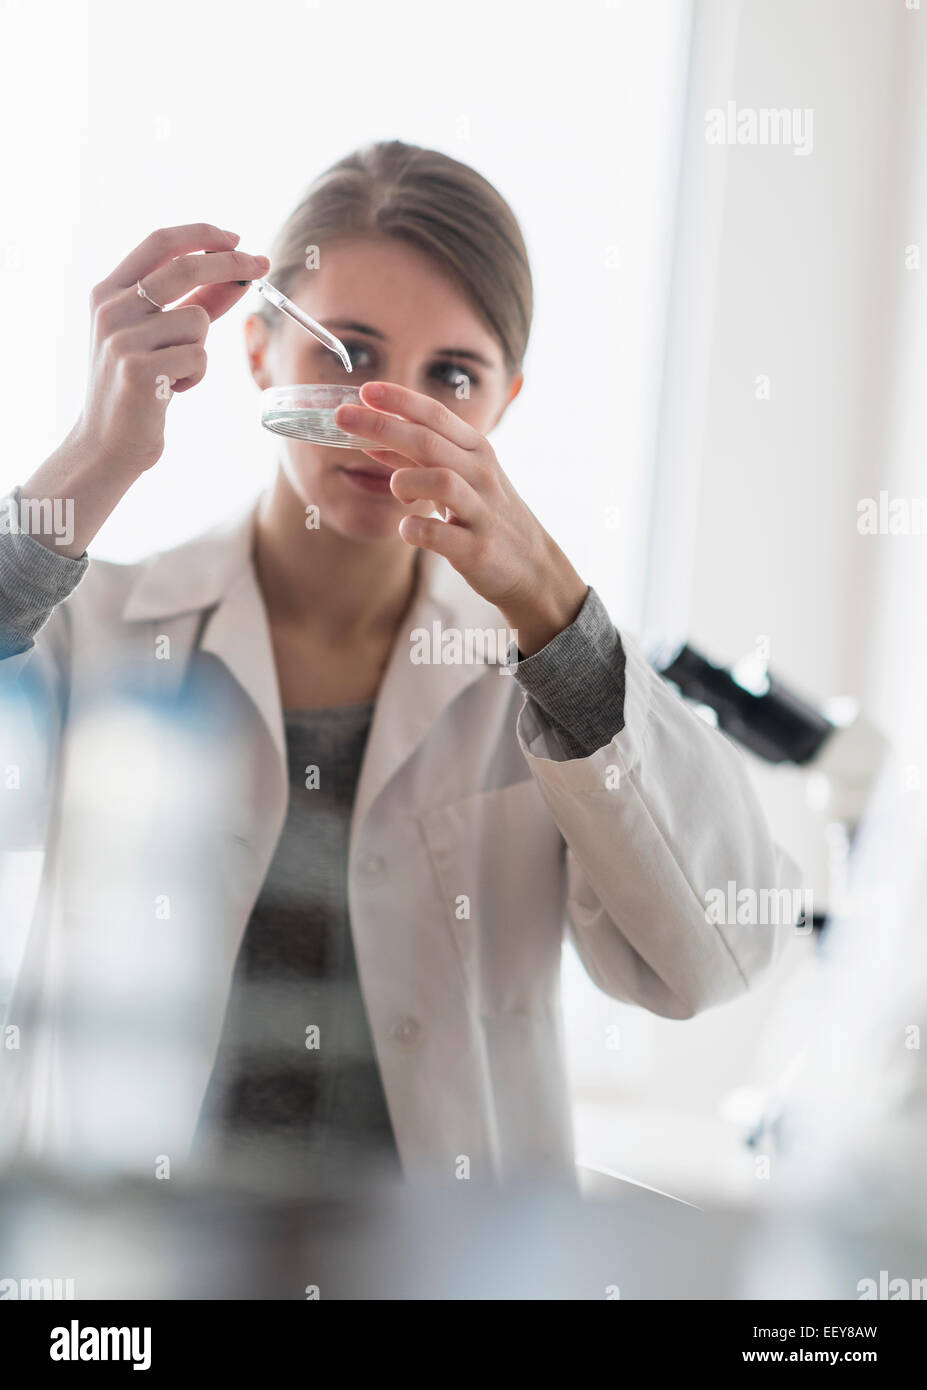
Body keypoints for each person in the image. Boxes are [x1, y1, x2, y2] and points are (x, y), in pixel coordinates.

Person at [0, 141, 797, 1191]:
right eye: (348, 351)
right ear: (257, 351)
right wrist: (89, 465)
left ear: (503, 404)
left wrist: (556, 609)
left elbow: (717, 959)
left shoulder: (553, 678)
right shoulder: (93, 626)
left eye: (451, 377)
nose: (387, 414)